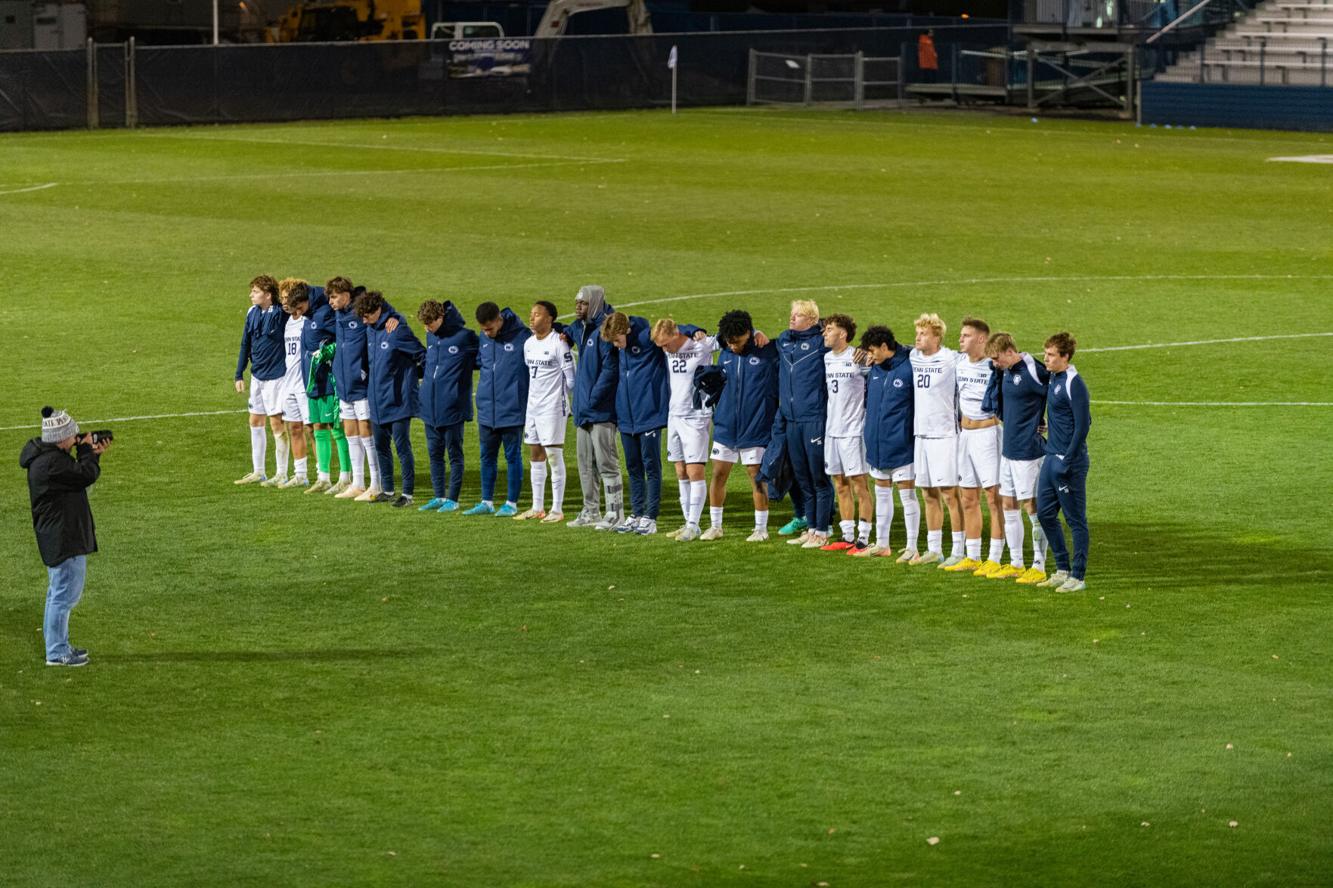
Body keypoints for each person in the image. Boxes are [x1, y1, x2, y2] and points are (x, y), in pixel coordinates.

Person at [21, 407, 109, 667]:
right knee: (63, 596)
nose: (76, 438)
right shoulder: (53, 464)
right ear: (60, 438)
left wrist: (89, 454)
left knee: (57, 593)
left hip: (58, 534)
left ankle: (59, 646)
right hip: (63, 537)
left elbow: (78, 479)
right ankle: (57, 652)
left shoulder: (46, 458)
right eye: (72, 435)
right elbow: (85, 475)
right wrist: (87, 453)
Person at [983, 332, 1050, 584]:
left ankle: (1039, 565)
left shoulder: (1033, 368)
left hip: (1028, 452)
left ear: (1010, 352)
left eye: (997, 358)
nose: (995, 363)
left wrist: (1045, 422)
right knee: (1008, 505)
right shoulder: (1005, 371)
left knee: (1032, 507)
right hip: (1008, 450)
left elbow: (1054, 391)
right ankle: (1016, 563)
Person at [707, 310, 778, 542]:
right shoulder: (725, 351)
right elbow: (692, 333)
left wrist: (759, 333)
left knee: (757, 478)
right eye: (728, 342)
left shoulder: (766, 352)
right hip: (726, 426)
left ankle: (761, 529)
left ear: (748, 334)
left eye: (736, 342)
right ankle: (715, 526)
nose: (732, 346)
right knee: (718, 475)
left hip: (755, 428)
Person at [603, 311, 670, 536]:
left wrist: (695, 332)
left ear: (627, 331)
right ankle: (636, 513)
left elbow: (673, 330)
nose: (617, 346)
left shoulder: (646, 338)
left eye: (618, 340)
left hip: (649, 414)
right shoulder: (621, 345)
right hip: (627, 418)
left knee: (651, 466)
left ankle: (651, 517)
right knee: (632, 468)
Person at [856, 325, 921, 560]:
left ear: (885, 347)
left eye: (872, 350)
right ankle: (882, 544)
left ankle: (912, 547)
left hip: (902, 444)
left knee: (907, 496)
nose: (869, 356)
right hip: (877, 444)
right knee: (882, 494)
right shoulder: (875, 369)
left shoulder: (909, 367)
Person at [357, 290, 425, 508]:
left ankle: (407, 494)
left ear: (378, 310)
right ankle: (387, 489)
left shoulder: (396, 328)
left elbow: (421, 354)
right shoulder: (371, 330)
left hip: (399, 401)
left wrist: (411, 379)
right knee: (381, 446)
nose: (363, 321)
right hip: (377, 399)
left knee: (402, 447)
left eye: (366, 316)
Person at [949, 317, 1006, 576]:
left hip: (987, 435)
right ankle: (972, 556)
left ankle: (994, 557)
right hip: (965, 436)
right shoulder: (959, 362)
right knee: (968, 497)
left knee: (994, 497)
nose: (960, 339)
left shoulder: (994, 367)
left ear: (982, 339)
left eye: (966, 335)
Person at [652, 317, 718, 542]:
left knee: (694, 471)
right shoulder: (667, 349)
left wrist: (757, 333)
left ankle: (694, 524)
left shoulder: (702, 344)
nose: (664, 349)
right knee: (680, 470)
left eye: (666, 344)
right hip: (674, 415)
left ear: (676, 334)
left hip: (696, 416)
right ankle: (688, 521)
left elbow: (731, 335)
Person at [1036, 332, 1091, 592]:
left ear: (1065, 357)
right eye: (1045, 353)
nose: (1045, 359)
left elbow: (1083, 425)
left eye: (1050, 355)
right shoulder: (1055, 378)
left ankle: (1077, 577)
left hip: (1069, 462)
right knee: (1045, 513)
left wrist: (1067, 459)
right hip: (1051, 457)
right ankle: (1061, 568)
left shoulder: (1074, 383)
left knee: (1075, 520)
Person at [908, 312, 965, 566]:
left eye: (923, 334)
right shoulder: (913, 357)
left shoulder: (951, 359)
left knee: (950, 494)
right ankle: (934, 549)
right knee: (927, 493)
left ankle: (959, 551)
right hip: (921, 434)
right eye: (917, 333)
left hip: (944, 435)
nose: (918, 337)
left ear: (937, 337)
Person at [777, 300, 834, 549]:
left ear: (811, 320)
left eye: (798, 315)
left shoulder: (822, 343)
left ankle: (823, 529)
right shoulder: (783, 341)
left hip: (814, 418)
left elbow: (847, 346)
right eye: (791, 314)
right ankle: (811, 528)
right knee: (802, 478)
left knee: (818, 477)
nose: (792, 319)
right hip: (791, 420)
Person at [568, 285, 623, 529]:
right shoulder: (581, 328)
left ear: (596, 303)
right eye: (577, 302)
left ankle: (615, 513)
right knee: (585, 464)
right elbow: (563, 329)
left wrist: (592, 400)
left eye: (584, 303)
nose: (578, 306)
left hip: (600, 411)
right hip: (583, 411)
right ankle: (590, 511)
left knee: (606, 463)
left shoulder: (604, 330)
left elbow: (610, 372)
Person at [417, 299, 479, 512]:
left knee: (454, 454)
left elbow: (483, 358)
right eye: (424, 325)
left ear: (440, 318)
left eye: (430, 324)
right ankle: (439, 496)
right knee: (434, 454)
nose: (427, 329)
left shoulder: (465, 337)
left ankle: (453, 499)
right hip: (429, 408)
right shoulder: (431, 336)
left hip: (452, 408)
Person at [288, 280, 350, 495]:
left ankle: (345, 477)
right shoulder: (308, 315)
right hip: (312, 381)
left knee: (336, 429)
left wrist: (327, 352)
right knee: (317, 427)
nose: (297, 313)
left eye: (299, 308)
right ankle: (323, 478)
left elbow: (343, 339)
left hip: (328, 381)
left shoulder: (324, 313)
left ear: (307, 300)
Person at [468, 301, 528, 517]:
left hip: (512, 409)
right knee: (486, 457)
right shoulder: (484, 337)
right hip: (486, 409)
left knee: (513, 456)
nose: (487, 333)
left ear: (499, 319)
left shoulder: (522, 336)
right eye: (483, 329)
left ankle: (511, 503)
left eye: (490, 328)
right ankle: (487, 501)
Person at [819, 313, 874, 552]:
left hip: (853, 431)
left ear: (842, 334)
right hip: (833, 431)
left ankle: (864, 537)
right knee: (839, 483)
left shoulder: (858, 357)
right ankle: (847, 535)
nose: (825, 332)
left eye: (829, 329)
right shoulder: (827, 358)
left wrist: (869, 359)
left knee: (859, 484)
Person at [518, 300, 575, 523]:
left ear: (549, 319)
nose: (532, 318)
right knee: (535, 455)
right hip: (532, 408)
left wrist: (560, 400)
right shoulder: (529, 343)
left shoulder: (559, 344)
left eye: (537, 315)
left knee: (553, 455)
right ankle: (537, 507)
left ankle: (557, 509)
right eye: (531, 314)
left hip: (552, 408)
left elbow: (571, 379)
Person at [327, 278, 383, 501]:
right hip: (343, 385)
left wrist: (394, 320)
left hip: (360, 385)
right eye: (329, 297)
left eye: (334, 297)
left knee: (366, 433)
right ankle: (358, 483)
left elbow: (383, 309)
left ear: (346, 295)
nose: (330, 301)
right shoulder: (339, 314)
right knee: (351, 433)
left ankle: (376, 483)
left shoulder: (361, 312)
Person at [233, 274, 287, 485]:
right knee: (255, 420)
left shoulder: (281, 313)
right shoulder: (251, 312)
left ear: (267, 294)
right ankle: (259, 471)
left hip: (276, 377)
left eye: (255, 292)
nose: (251, 295)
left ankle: (281, 473)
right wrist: (239, 373)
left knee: (276, 423)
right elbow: (245, 343)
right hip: (257, 375)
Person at [266, 278, 312, 489]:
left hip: (305, 384)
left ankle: (323, 475)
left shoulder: (308, 321)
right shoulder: (287, 322)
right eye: (282, 298)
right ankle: (300, 474)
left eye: (287, 297)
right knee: (294, 428)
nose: (284, 302)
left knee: (313, 429)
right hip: (289, 383)